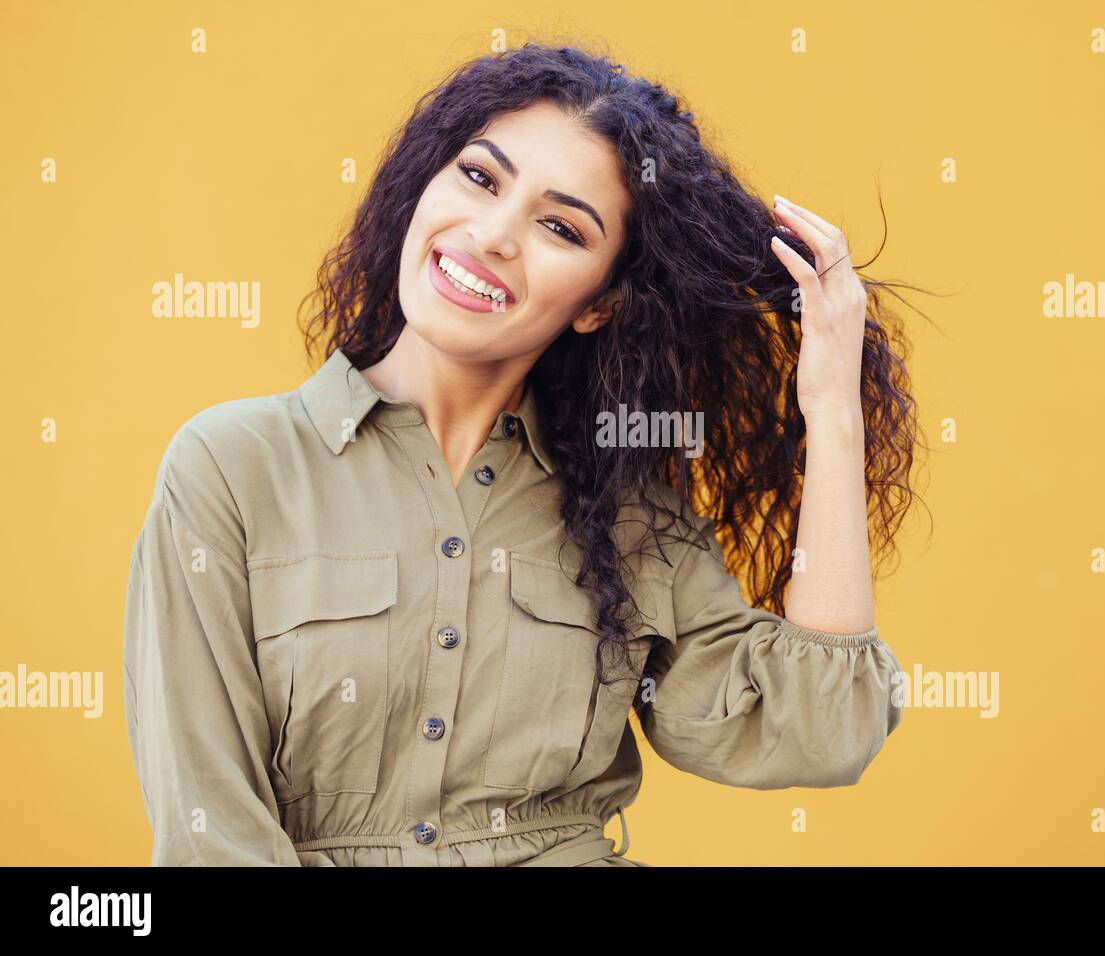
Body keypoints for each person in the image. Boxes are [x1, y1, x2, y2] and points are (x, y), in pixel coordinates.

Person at [122, 42, 920, 867]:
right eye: (479, 177)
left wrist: (832, 413)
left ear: (600, 304)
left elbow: (821, 732)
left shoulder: (627, 509)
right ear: (425, 183)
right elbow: (209, 832)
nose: (493, 234)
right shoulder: (231, 468)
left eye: (560, 227)